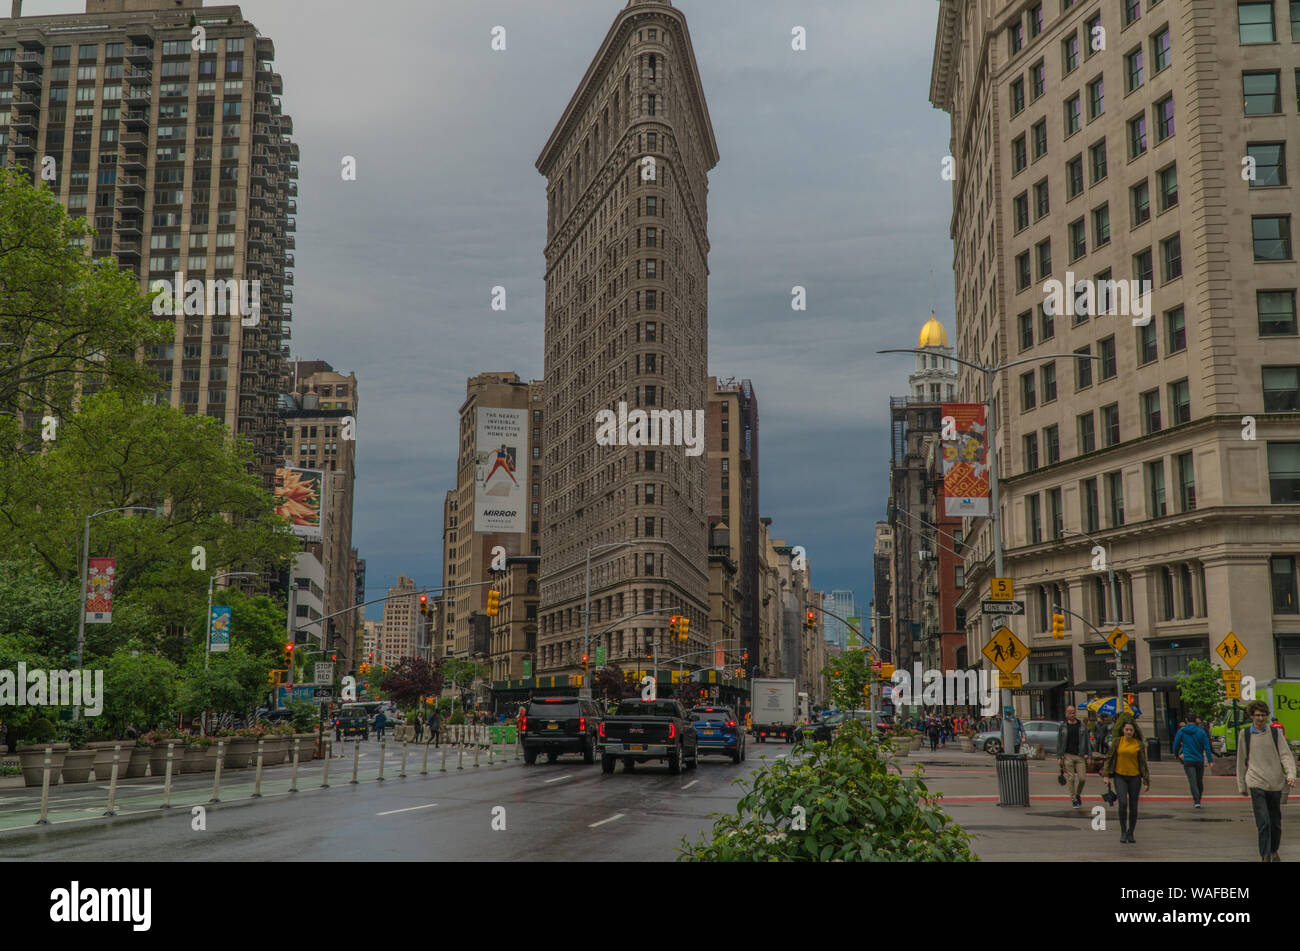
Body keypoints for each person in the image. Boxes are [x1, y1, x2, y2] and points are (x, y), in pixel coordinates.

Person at [1237, 699, 1297, 862]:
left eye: (1263, 715)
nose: (1261, 718)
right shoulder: (1245, 735)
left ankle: (1273, 850)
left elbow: (1285, 755)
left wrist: (1291, 774)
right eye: (1257, 715)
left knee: (1275, 822)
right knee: (1263, 821)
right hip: (1256, 782)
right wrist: (1241, 784)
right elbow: (1241, 760)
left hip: (1274, 782)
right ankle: (1265, 855)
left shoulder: (1275, 733)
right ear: (1251, 716)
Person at [1101, 719, 1149, 844]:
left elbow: (1143, 763)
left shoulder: (1138, 744)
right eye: (1127, 729)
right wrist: (1105, 775)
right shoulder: (1117, 742)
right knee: (1122, 803)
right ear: (1123, 730)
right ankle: (1123, 831)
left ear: (1134, 731)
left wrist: (1146, 780)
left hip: (1135, 777)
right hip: (1120, 776)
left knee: (1133, 806)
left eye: (1131, 730)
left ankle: (1131, 832)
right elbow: (1108, 758)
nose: (1128, 732)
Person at [1172, 716, 1213, 808]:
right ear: (1196, 720)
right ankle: (1199, 797)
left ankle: (1196, 800)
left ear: (1186, 720)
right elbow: (1207, 747)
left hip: (1188, 759)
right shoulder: (1201, 732)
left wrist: (1175, 754)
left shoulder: (1182, 731)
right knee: (1199, 780)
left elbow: (1176, 744)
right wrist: (1210, 760)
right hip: (1199, 759)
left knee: (1192, 780)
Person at [1057, 705, 1093, 807]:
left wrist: (1089, 756)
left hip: (1080, 755)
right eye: (1069, 712)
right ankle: (1073, 799)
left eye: (1073, 712)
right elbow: (1059, 742)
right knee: (1071, 778)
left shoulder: (1082, 726)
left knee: (1082, 778)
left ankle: (1077, 794)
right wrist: (1059, 757)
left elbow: (1087, 742)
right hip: (1068, 755)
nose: (1071, 714)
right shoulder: (1063, 726)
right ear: (1066, 714)